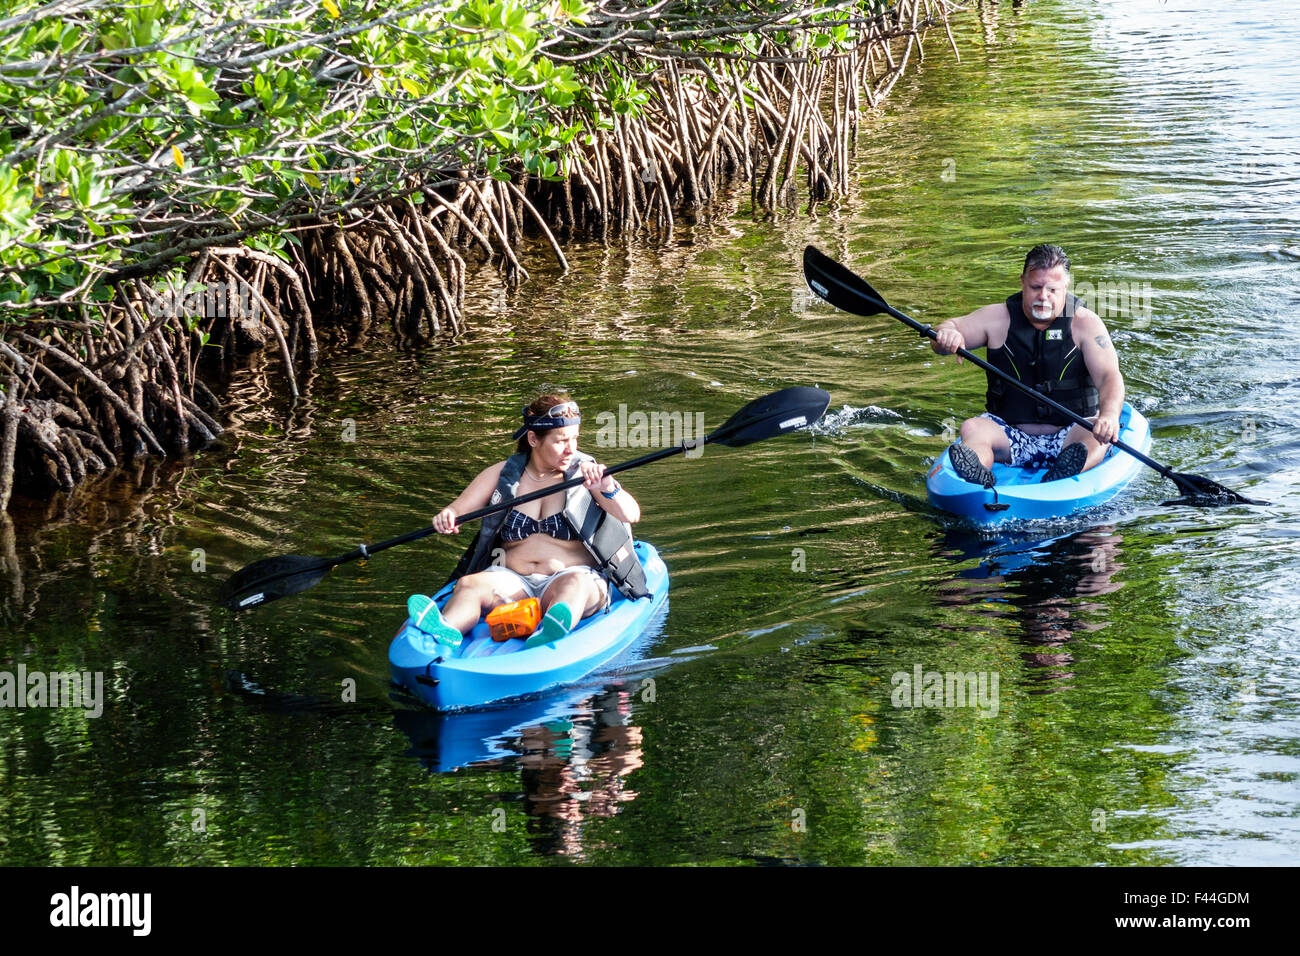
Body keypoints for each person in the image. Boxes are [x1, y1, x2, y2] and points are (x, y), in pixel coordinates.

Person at [406, 393, 647, 650]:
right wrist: (447, 517)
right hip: (513, 582)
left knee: (575, 585)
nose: (571, 449)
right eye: (561, 441)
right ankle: (447, 629)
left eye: (574, 438)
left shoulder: (586, 473)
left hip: (571, 579)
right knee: (469, 584)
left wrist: (607, 487)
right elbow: (457, 509)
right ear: (533, 439)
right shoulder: (503, 474)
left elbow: (630, 514)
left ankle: (550, 630)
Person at [930, 244, 1125, 485]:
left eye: (1052, 289)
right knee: (973, 428)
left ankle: (1069, 469)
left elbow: (1109, 376)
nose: (1043, 296)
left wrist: (1110, 415)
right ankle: (978, 473)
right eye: (1035, 287)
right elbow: (947, 329)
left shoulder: (1084, 323)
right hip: (1009, 434)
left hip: (1071, 433)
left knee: (1097, 434)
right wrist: (947, 336)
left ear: (1066, 285)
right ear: (1022, 281)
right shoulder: (997, 318)